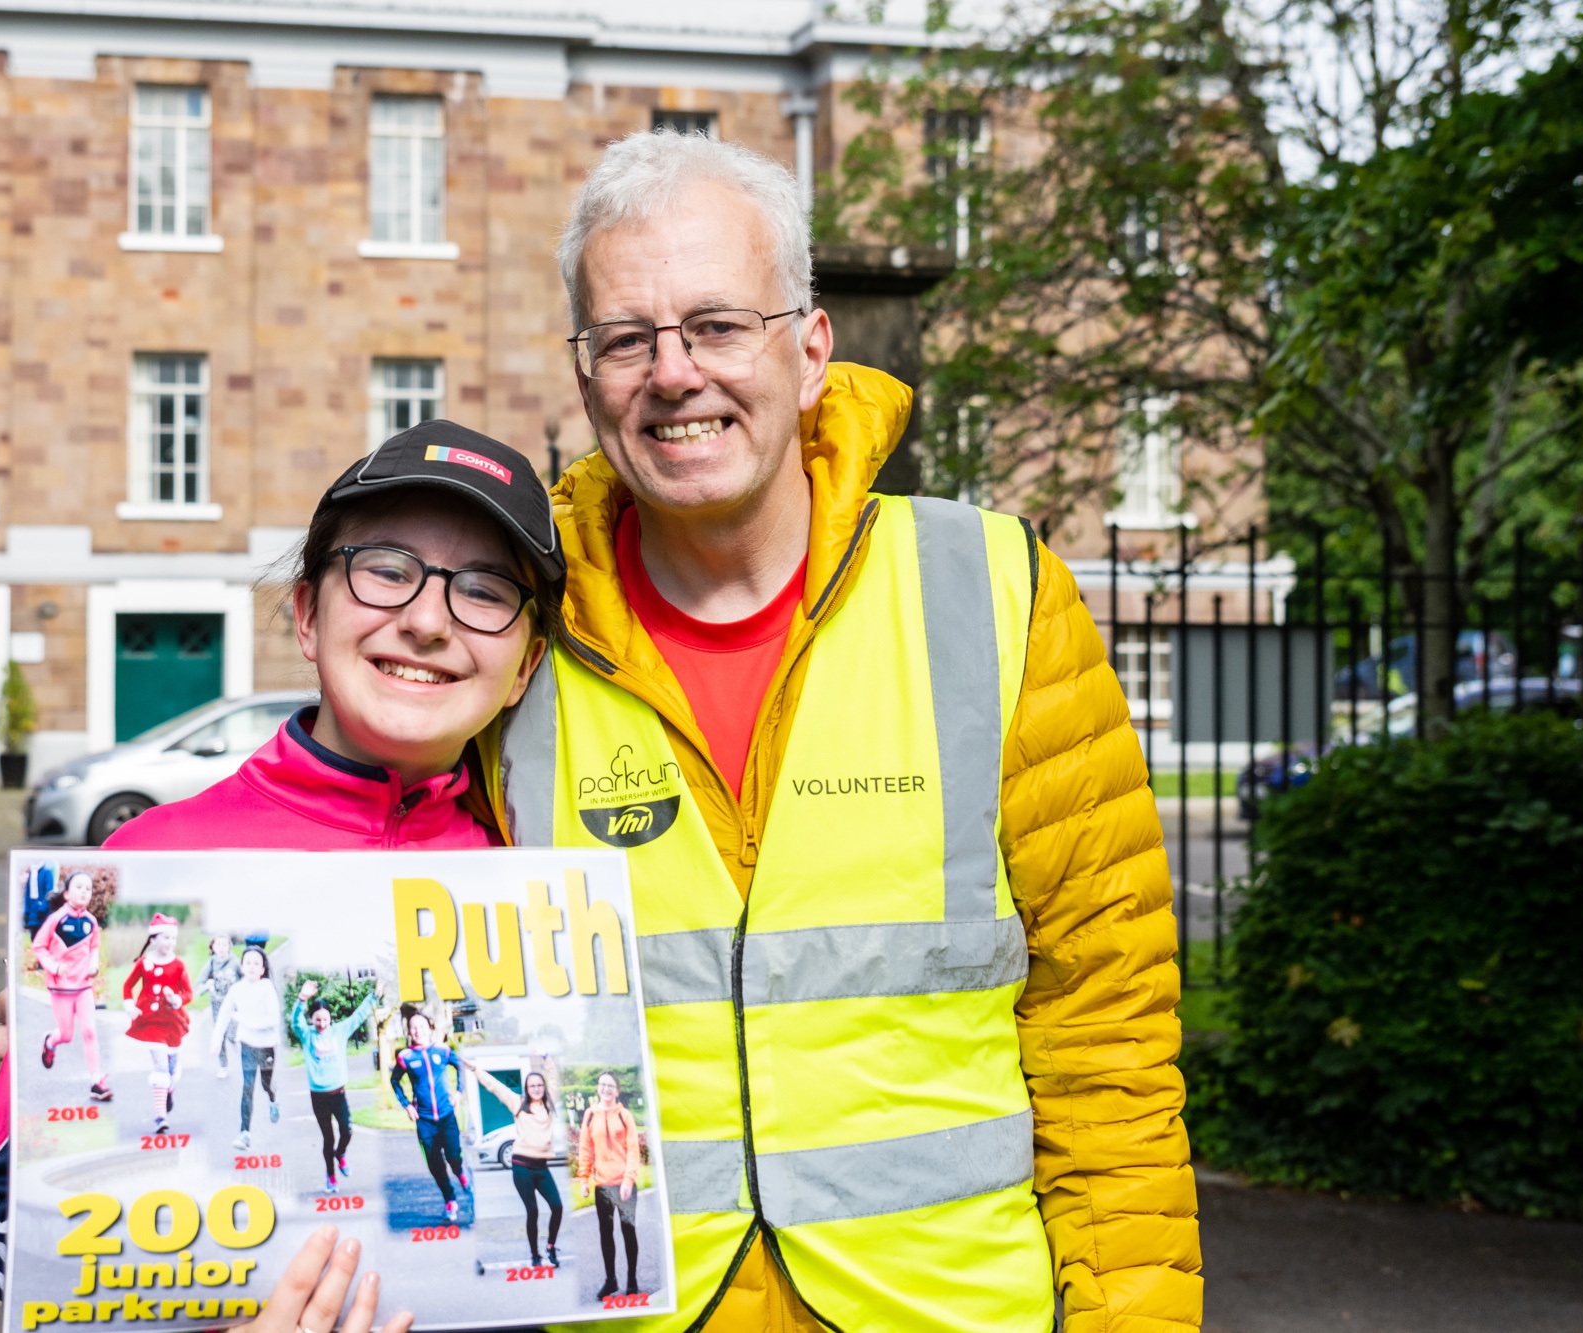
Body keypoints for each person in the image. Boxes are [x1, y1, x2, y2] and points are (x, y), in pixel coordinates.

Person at [485, 130, 1200, 1331]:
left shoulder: (996, 593)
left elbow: (1105, 1036)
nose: (673, 373)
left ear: (810, 349)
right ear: (585, 374)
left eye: (717, 324)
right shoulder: (504, 631)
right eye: (626, 338)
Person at [0, 418, 561, 1310]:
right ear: (309, 613)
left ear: (524, 666)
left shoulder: (542, 875)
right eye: (387, 569)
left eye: (484, 590)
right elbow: (4, 1238)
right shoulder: (151, 860)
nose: (428, 620)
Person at [465, 1060, 563, 1268]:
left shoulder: (548, 1104)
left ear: (544, 1087)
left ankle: (551, 1246)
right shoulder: (518, 1103)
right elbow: (495, 1086)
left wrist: (546, 1059)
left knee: (557, 1206)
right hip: (522, 1166)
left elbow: (554, 1079)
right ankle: (535, 1254)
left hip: (542, 1167)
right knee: (533, 1211)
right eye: (532, 1086)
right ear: (526, 1089)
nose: (536, 1089)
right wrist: (475, 1069)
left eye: (539, 1085)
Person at [29, 870, 111, 1102]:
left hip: (83, 987)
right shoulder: (56, 919)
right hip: (61, 988)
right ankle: (50, 1041)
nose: (84, 891)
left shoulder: (91, 922)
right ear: (66, 894)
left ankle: (96, 1081)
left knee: (89, 1032)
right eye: (79, 887)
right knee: (66, 1035)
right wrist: (53, 967)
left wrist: (93, 964)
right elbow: (39, 946)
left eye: (88, 888)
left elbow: (94, 947)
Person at [293, 980, 378, 1194]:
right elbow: (295, 1021)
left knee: (347, 1130)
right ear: (312, 1019)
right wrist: (302, 999)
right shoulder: (307, 1035)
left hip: (338, 1093)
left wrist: (374, 997)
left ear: (330, 1018)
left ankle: (341, 1154)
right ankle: (330, 1175)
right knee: (328, 1138)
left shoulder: (339, 1031)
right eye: (317, 1019)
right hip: (318, 1096)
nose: (322, 1023)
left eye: (325, 1019)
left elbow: (359, 1015)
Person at [389, 1003, 471, 1221]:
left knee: (453, 1156)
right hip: (424, 1121)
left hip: (446, 1116)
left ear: (430, 1028)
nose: (418, 1031)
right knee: (435, 1165)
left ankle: (460, 1173)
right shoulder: (405, 1056)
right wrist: (407, 1105)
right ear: (409, 1031)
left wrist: (459, 1092)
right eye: (413, 1027)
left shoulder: (442, 1051)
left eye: (421, 1026)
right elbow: (395, 1081)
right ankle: (450, 1200)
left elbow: (461, 1067)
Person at [120, 914, 193, 1133]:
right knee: (160, 1067)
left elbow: (188, 993)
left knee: (171, 1068)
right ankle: (160, 1116)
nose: (170, 942)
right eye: (165, 937)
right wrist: (130, 1006)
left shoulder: (178, 965)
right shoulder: (144, 963)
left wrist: (176, 999)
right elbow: (127, 986)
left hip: (173, 1022)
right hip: (151, 1023)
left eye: (173, 938)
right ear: (153, 939)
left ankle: (169, 1088)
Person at [574, 1071, 642, 1301]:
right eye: (602, 1084)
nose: (606, 1089)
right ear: (598, 1088)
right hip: (602, 1185)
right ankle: (611, 1280)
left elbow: (633, 1149)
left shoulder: (624, 1115)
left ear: (617, 1091)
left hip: (624, 1185)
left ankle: (631, 1280)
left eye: (610, 1085)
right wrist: (584, 1179)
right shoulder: (590, 1115)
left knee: (628, 1232)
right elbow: (585, 1148)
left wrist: (628, 1180)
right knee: (606, 1234)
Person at [213, 944, 283, 1149]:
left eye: (256, 963)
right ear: (242, 967)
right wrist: (216, 1040)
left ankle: (273, 1099)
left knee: (265, 1084)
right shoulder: (237, 989)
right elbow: (224, 1014)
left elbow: (272, 1020)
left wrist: (244, 1019)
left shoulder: (267, 988)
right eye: (248, 963)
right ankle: (244, 1133)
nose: (252, 966)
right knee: (247, 1087)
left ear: (262, 969)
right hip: (247, 1046)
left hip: (267, 1046)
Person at [197, 932, 241, 1079]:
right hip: (217, 1003)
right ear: (213, 947)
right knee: (219, 1035)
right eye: (218, 945)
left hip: (233, 1004)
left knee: (232, 1034)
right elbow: (198, 985)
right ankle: (223, 1066)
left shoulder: (235, 962)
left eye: (224, 944)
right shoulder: (211, 964)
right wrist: (206, 986)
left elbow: (246, 979)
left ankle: (238, 1045)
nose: (221, 948)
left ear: (229, 947)